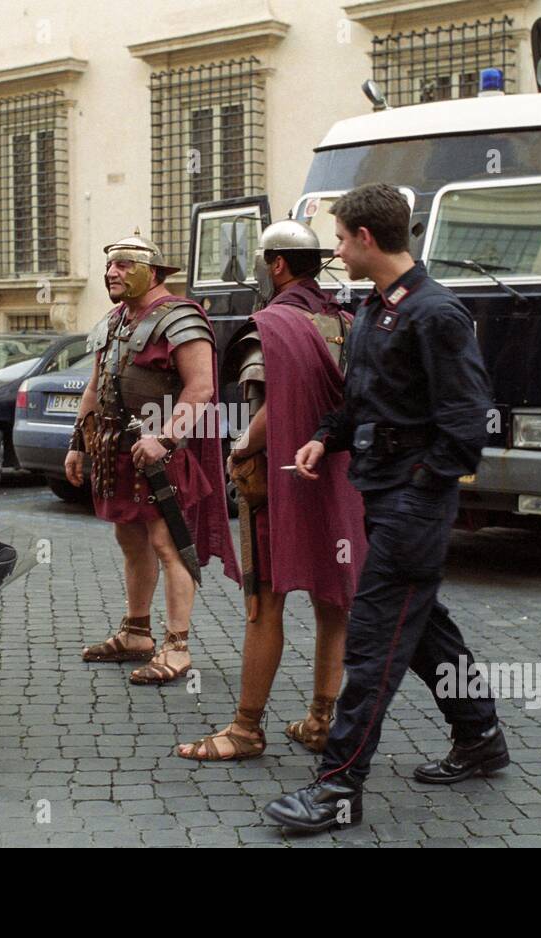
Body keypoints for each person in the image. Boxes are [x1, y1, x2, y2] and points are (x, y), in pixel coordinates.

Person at [264, 184, 508, 833]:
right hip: (383, 490)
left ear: (367, 238)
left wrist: (420, 490)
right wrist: (325, 436)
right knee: (425, 627)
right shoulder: (375, 309)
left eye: (341, 239)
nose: (336, 251)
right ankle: (479, 734)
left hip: (411, 503)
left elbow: (466, 422)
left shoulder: (436, 313)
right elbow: (363, 400)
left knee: (373, 642)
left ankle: (339, 786)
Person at [177, 220, 366, 760]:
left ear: (277, 265)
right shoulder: (347, 321)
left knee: (265, 602)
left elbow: (271, 410)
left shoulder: (271, 327)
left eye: (262, 261)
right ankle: (321, 721)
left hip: (278, 483)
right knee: (335, 602)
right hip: (339, 479)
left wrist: (238, 447)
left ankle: (244, 729)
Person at [66, 234, 238, 685]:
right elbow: (94, 386)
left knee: (168, 545)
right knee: (130, 540)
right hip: (116, 451)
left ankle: (177, 647)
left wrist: (165, 438)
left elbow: (199, 387)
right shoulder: (114, 320)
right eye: (109, 265)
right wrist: (77, 442)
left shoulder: (180, 318)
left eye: (124, 265)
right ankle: (136, 632)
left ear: (154, 272)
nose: (111, 273)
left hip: (161, 457)